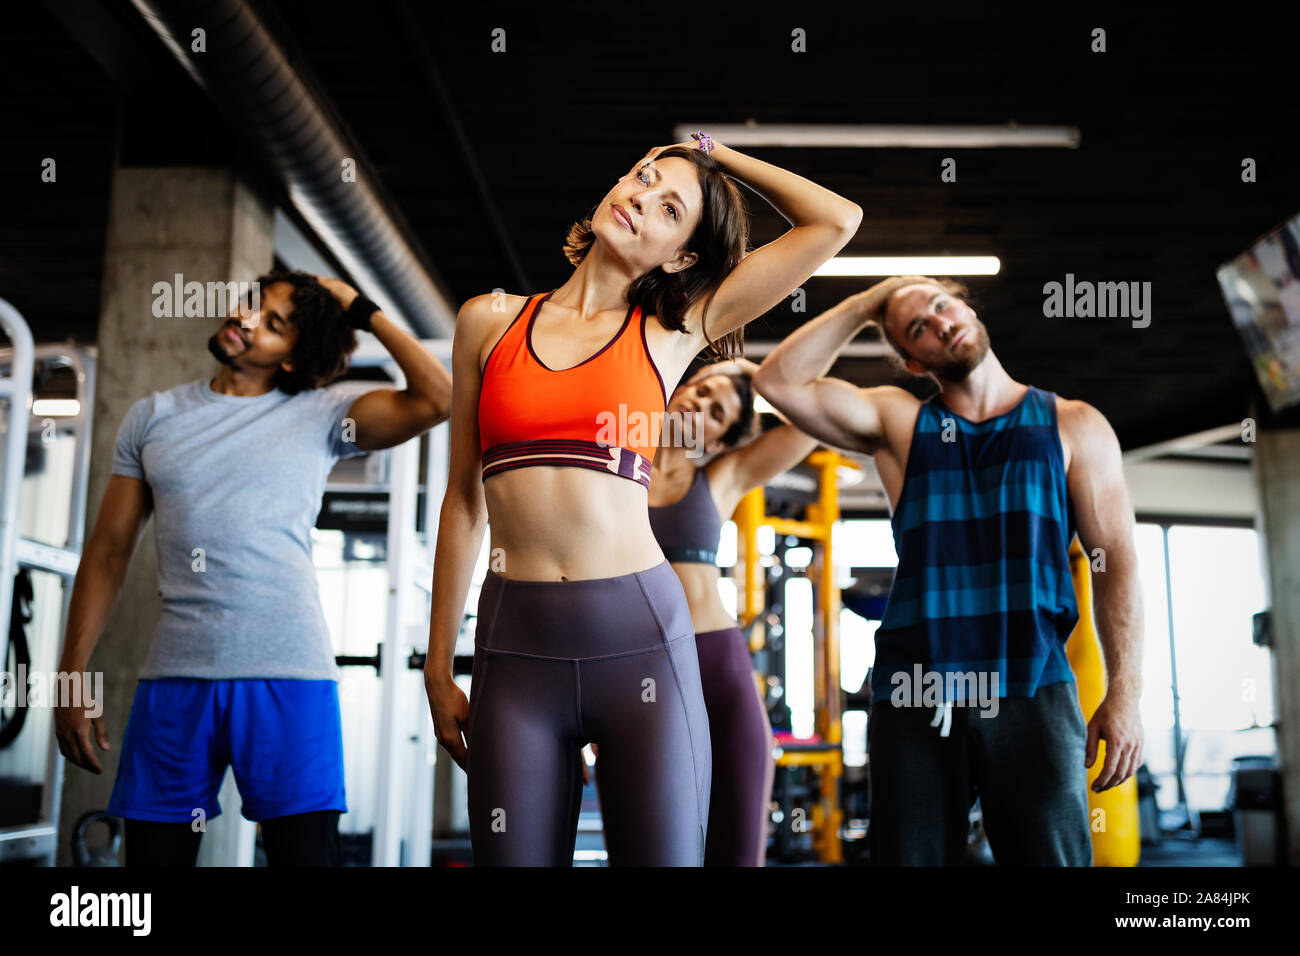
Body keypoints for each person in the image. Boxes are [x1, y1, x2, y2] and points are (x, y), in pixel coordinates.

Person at [425, 132, 861, 866]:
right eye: (640, 176)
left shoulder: (672, 330)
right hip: (513, 649)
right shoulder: (487, 321)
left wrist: (719, 160)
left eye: (669, 208)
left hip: (642, 646)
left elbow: (835, 222)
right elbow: (463, 504)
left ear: (682, 256)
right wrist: (440, 666)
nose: (638, 196)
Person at [55, 271, 451, 866]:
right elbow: (109, 550)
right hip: (176, 678)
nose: (245, 320)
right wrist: (72, 676)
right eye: (251, 306)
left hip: (289, 675)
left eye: (274, 324)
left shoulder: (325, 415)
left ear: (294, 357)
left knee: (305, 857)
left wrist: (358, 309)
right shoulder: (153, 417)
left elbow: (438, 398)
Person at [753, 276, 1144, 866]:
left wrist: (1126, 692)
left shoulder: (1073, 425)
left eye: (941, 304)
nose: (939, 322)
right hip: (915, 691)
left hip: (1032, 683)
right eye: (918, 327)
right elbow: (777, 381)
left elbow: (1117, 563)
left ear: (964, 305)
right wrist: (868, 304)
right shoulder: (900, 424)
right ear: (914, 360)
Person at [635, 357, 818, 866]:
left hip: (717, 663)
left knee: (737, 847)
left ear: (717, 441)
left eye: (717, 412)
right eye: (701, 391)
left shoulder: (722, 477)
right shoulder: (618, 468)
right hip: (639, 670)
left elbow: (810, 422)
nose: (700, 404)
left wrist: (755, 374)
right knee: (653, 846)